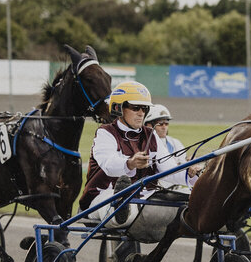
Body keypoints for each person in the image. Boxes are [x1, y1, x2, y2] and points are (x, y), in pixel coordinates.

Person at [79, 82, 200, 226]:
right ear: (118, 108)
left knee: (191, 200)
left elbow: (168, 170)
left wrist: (189, 174)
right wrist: (130, 163)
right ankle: (121, 209)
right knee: (115, 203)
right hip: (103, 195)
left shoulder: (151, 135)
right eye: (135, 108)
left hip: (144, 197)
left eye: (144, 108)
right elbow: (108, 165)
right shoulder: (105, 133)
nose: (141, 113)